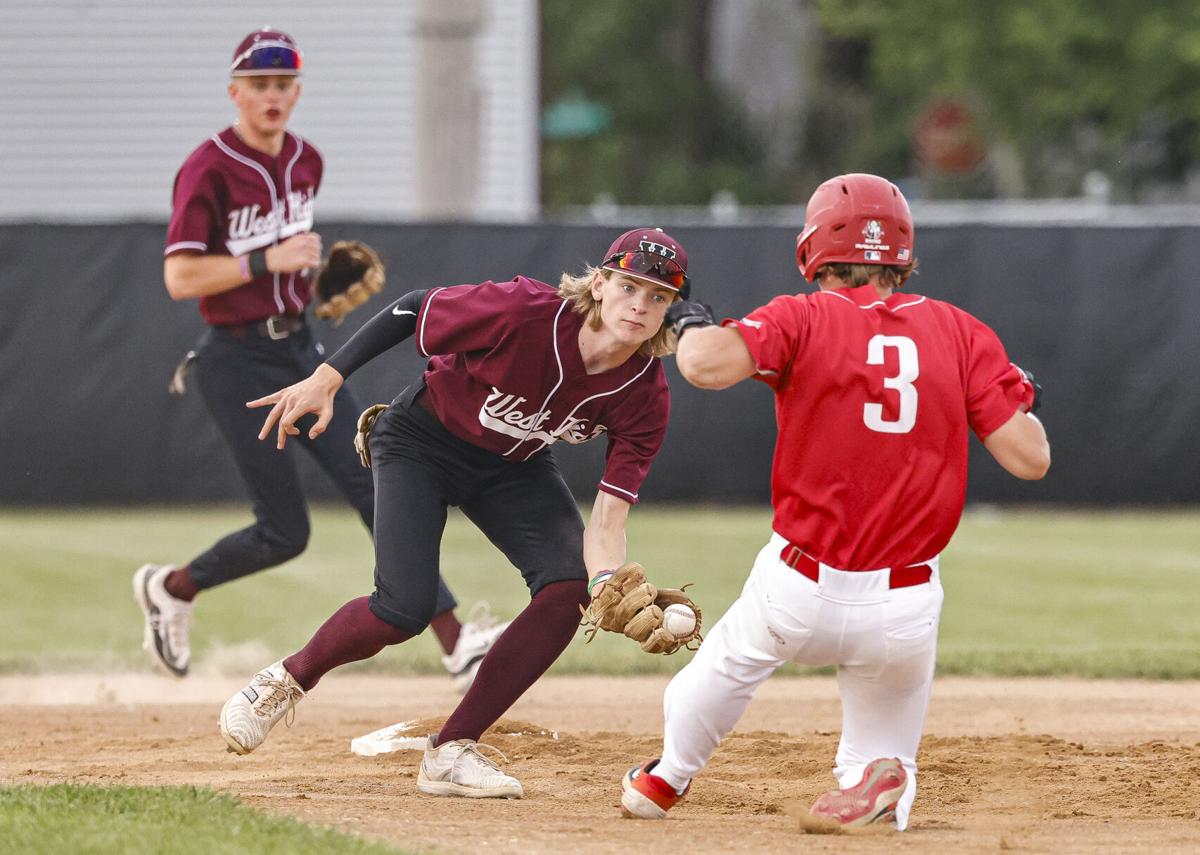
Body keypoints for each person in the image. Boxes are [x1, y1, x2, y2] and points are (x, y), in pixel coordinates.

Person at [620, 174, 1050, 830]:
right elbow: (1031, 458)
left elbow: (705, 365)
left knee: (722, 668)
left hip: (799, 589)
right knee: (879, 754)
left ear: (814, 247)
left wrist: (690, 320)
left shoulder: (803, 315)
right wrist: (1019, 399)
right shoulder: (960, 333)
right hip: (905, 605)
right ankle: (879, 780)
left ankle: (665, 778)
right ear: (903, 256)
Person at [217, 228, 689, 799]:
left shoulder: (646, 393)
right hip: (423, 438)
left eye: (659, 297)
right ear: (600, 283)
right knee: (403, 608)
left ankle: (451, 749)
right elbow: (411, 307)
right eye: (629, 286)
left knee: (570, 590)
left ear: (670, 311)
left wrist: (608, 582)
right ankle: (285, 682)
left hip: (514, 465)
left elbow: (608, 521)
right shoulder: (526, 311)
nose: (640, 305)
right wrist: (329, 376)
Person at [136, 27, 506, 689]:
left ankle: (456, 641)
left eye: (283, 84)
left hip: (301, 350)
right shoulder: (208, 166)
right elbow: (180, 277)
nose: (271, 95)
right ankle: (171, 587)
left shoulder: (306, 159)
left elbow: (286, 263)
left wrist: (305, 289)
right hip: (236, 361)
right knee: (284, 532)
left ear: (296, 91)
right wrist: (265, 262)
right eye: (258, 84)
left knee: (380, 482)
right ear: (235, 92)